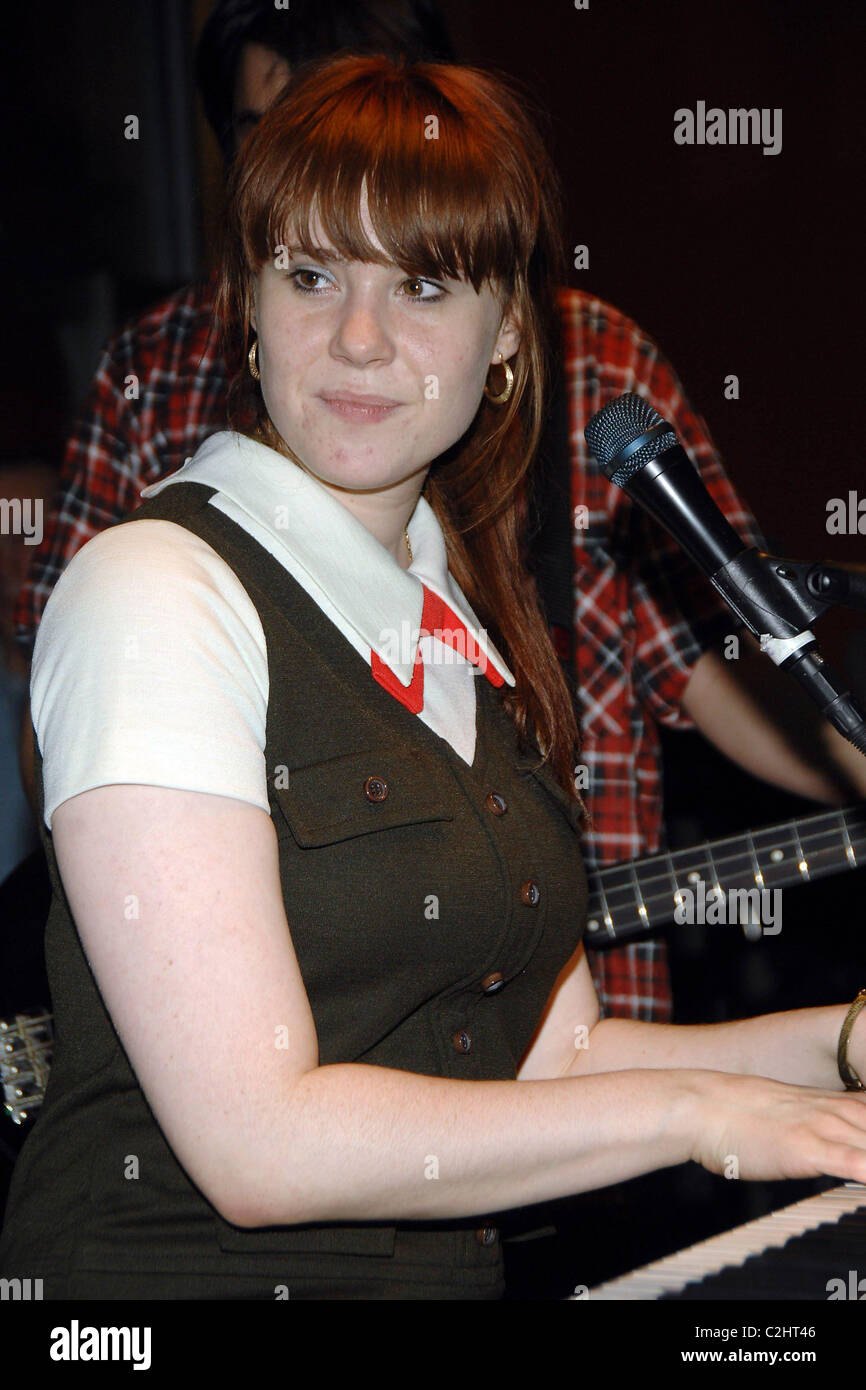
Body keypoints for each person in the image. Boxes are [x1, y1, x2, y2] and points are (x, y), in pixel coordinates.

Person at [1, 53, 864, 1303]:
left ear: (506, 330)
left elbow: (553, 1057)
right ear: (246, 304)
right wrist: (698, 1111)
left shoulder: (452, 616)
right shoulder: (154, 592)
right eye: (310, 277)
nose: (357, 338)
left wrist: (834, 1041)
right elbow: (255, 1143)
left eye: (420, 284)